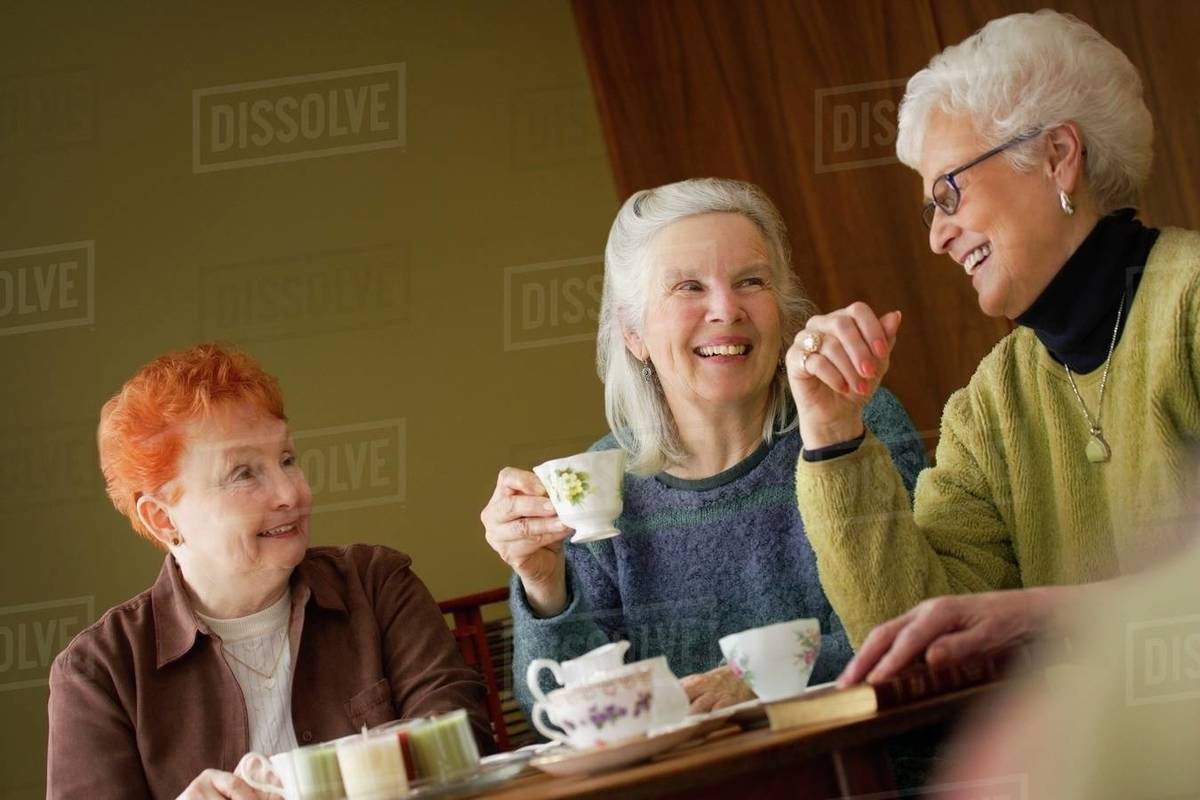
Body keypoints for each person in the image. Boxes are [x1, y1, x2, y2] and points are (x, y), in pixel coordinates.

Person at [783, 9, 1200, 685]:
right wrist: (832, 432)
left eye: (950, 192)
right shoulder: (992, 402)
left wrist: (1047, 614)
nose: (937, 237)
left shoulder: (1192, 303)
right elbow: (914, 639)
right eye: (930, 210)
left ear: (1059, 156)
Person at [481, 178, 928, 717]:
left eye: (751, 281)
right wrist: (545, 586)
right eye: (689, 287)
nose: (725, 309)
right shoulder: (598, 485)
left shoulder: (859, 421)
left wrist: (759, 681)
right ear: (633, 332)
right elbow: (556, 709)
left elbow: (919, 622)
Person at [47, 344, 493, 800]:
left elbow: (465, 741)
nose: (290, 492)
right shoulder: (99, 673)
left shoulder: (377, 585)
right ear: (163, 519)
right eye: (243, 474)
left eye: (287, 459)